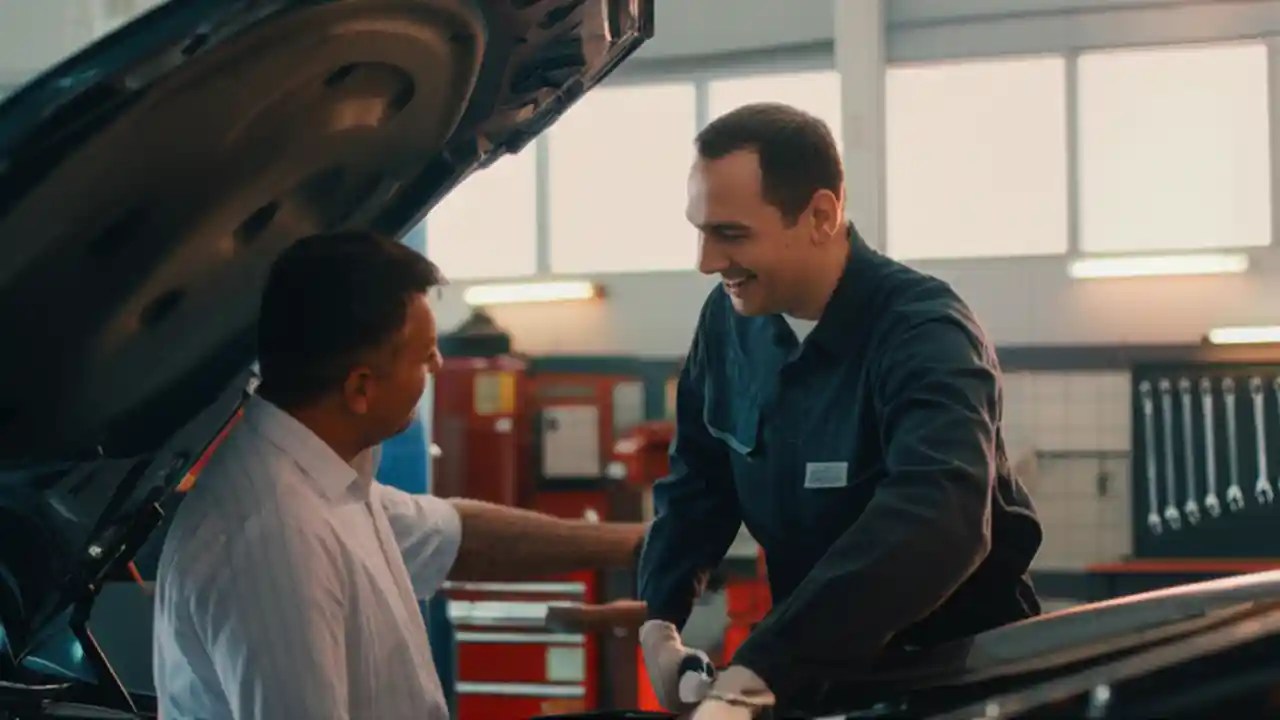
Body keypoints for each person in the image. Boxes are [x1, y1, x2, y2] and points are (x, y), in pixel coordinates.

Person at [635, 103, 1044, 718]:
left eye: (732, 234)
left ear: (821, 215)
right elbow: (700, 480)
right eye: (700, 230)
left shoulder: (925, 333)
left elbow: (940, 516)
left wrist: (757, 670)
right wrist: (660, 619)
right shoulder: (728, 324)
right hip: (819, 680)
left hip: (956, 684)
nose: (707, 261)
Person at [152, 230, 646, 720]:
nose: (438, 362)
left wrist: (642, 543)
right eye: (424, 354)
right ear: (361, 388)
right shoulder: (275, 537)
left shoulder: (326, 482)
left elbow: (457, 534)